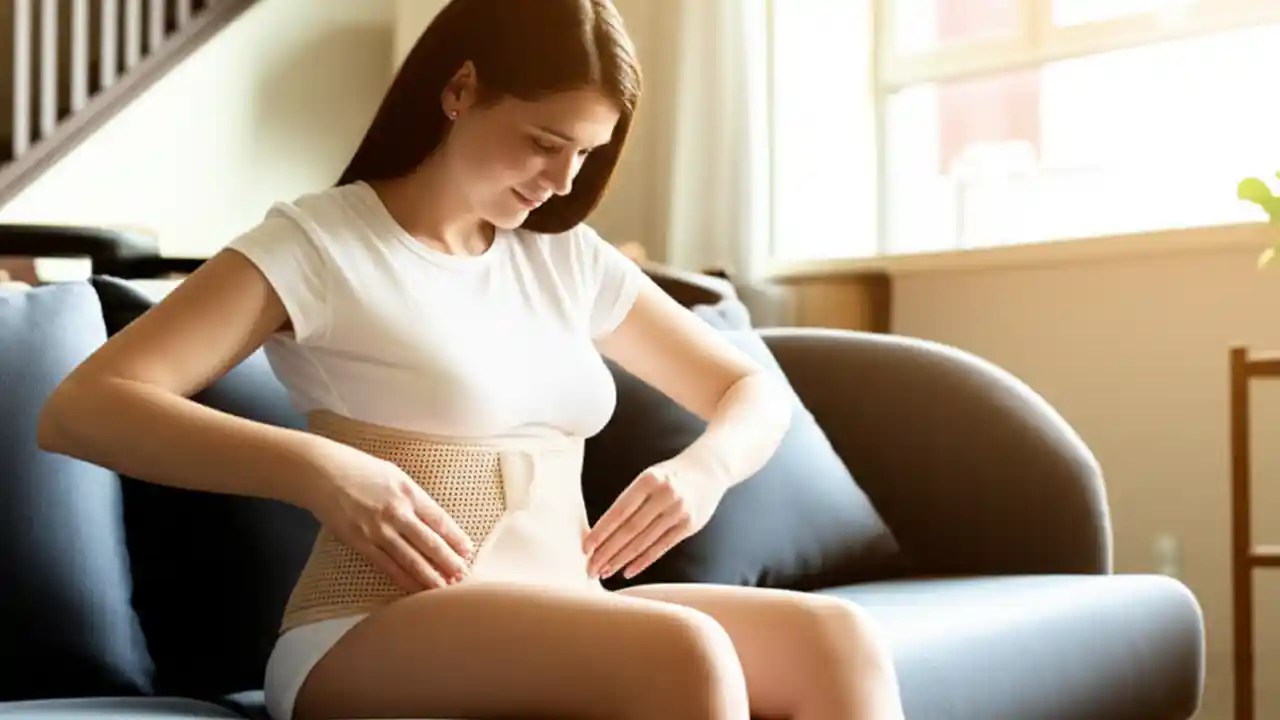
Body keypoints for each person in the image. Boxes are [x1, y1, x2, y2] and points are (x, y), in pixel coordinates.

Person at [36, 1, 905, 718]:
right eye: (542, 141)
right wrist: (319, 470)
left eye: (585, 155)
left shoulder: (563, 255)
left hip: (568, 609)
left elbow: (749, 388)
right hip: (370, 627)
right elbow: (84, 405)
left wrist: (707, 470)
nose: (562, 181)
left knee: (838, 639)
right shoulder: (319, 244)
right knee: (685, 651)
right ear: (460, 91)